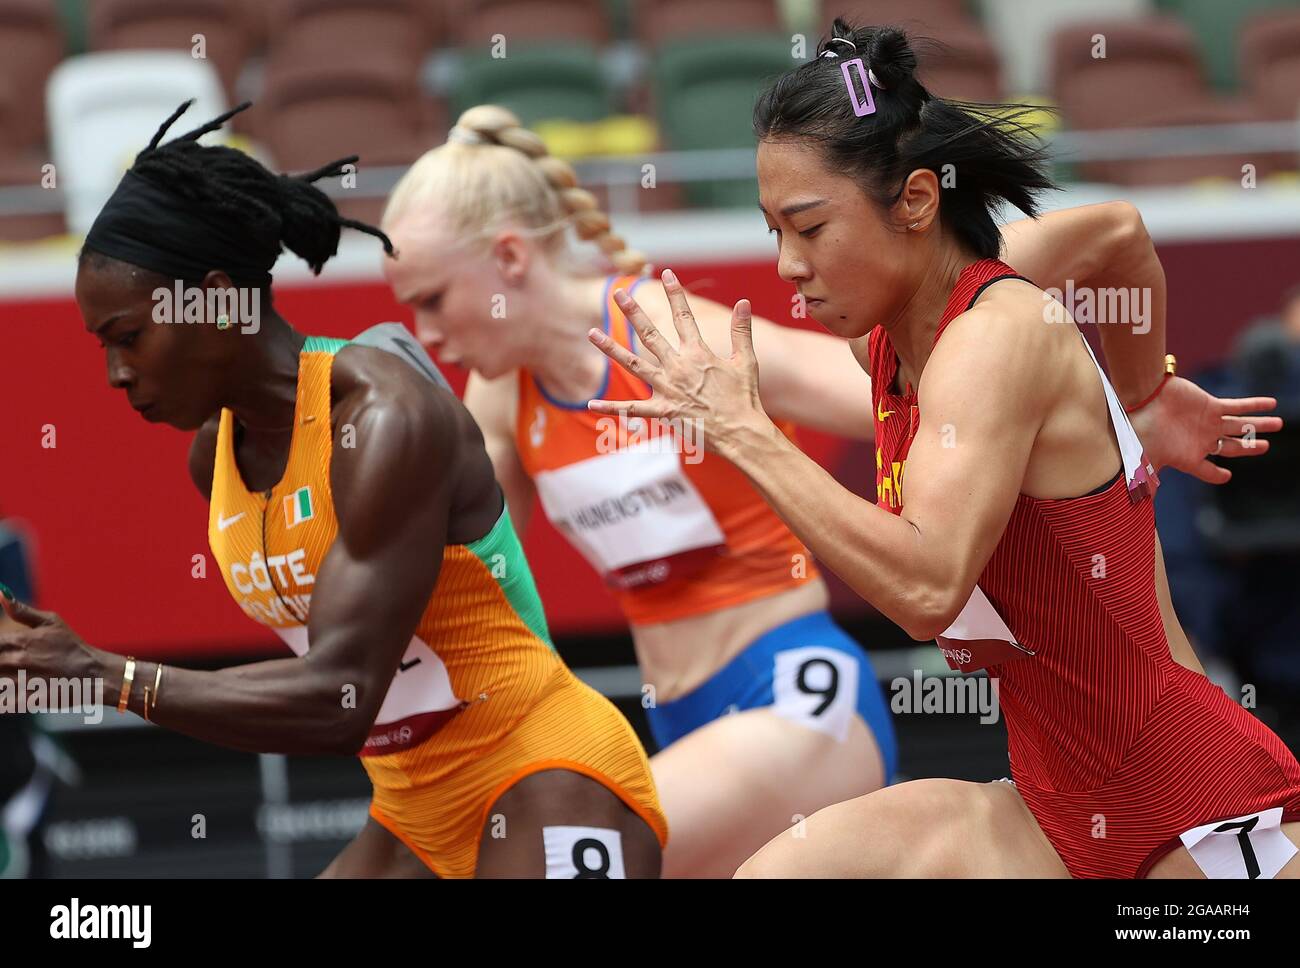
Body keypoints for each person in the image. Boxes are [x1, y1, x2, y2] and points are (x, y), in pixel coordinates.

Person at [377, 99, 1241, 875]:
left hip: (790, 693)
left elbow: (934, 370)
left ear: (508, 257)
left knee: (571, 853)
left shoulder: (701, 339)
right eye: (772, 234)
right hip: (693, 723)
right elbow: (470, 586)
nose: (428, 333)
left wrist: (1133, 399)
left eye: (434, 300)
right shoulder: (501, 394)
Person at [585, 22, 1300, 879]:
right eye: (774, 230)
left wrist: (744, 433)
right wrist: (1145, 399)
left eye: (809, 229)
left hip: (1190, 813)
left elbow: (927, 586)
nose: (785, 264)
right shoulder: (904, 326)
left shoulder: (995, 337)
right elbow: (1118, 232)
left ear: (918, 201)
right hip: (1052, 807)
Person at [0, 100, 666, 879]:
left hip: (541, 776)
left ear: (216, 300)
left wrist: (101, 673)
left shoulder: (383, 418)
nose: (116, 374)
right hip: (410, 811)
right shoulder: (211, 455)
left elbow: (338, 695)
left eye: (129, 336)